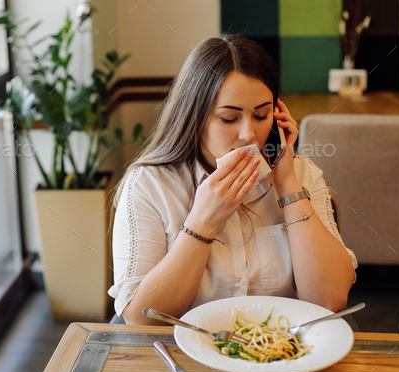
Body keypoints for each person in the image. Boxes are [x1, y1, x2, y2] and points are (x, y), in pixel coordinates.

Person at [108, 34, 358, 325]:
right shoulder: (150, 185)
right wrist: (203, 221)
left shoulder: (300, 174)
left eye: (262, 115)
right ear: (194, 117)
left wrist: (287, 184)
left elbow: (329, 301)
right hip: (188, 354)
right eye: (229, 119)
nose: (248, 135)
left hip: (285, 354)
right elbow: (144, 319)